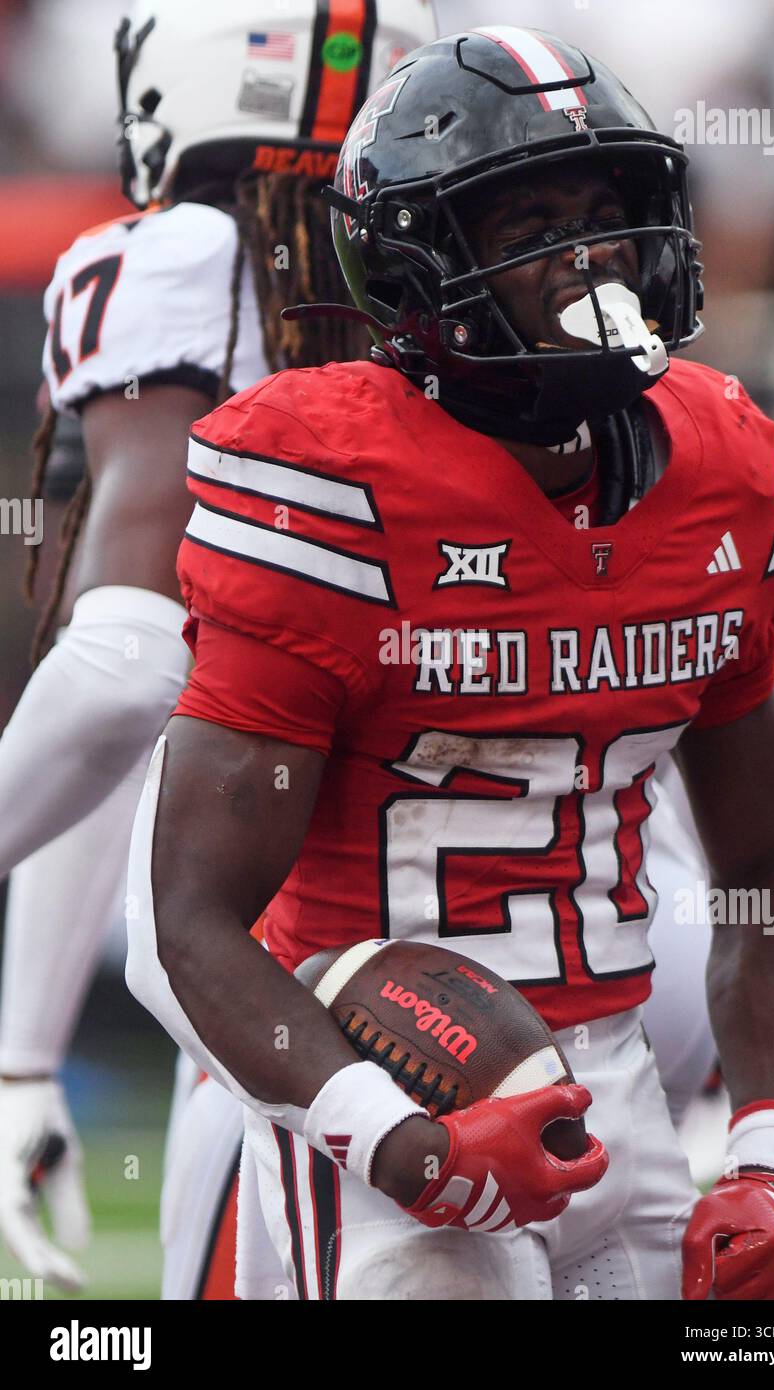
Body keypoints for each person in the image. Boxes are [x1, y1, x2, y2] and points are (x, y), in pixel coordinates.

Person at [126, 27, 774, 1301]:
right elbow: (188, 917)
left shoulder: (715, 465)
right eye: (529, 219)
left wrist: (773, 1145)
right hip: (379, 1074)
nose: (591, 255)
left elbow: (768, 865)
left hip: (613, 1077)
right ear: (417, 266)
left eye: (604, 211)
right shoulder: (328, 482)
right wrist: (394, 1138)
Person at [0, 0, 437, 1298]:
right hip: (581, 969)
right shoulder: (471, 285)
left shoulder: (176, 257)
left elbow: (127, 662)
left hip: (287, 994)